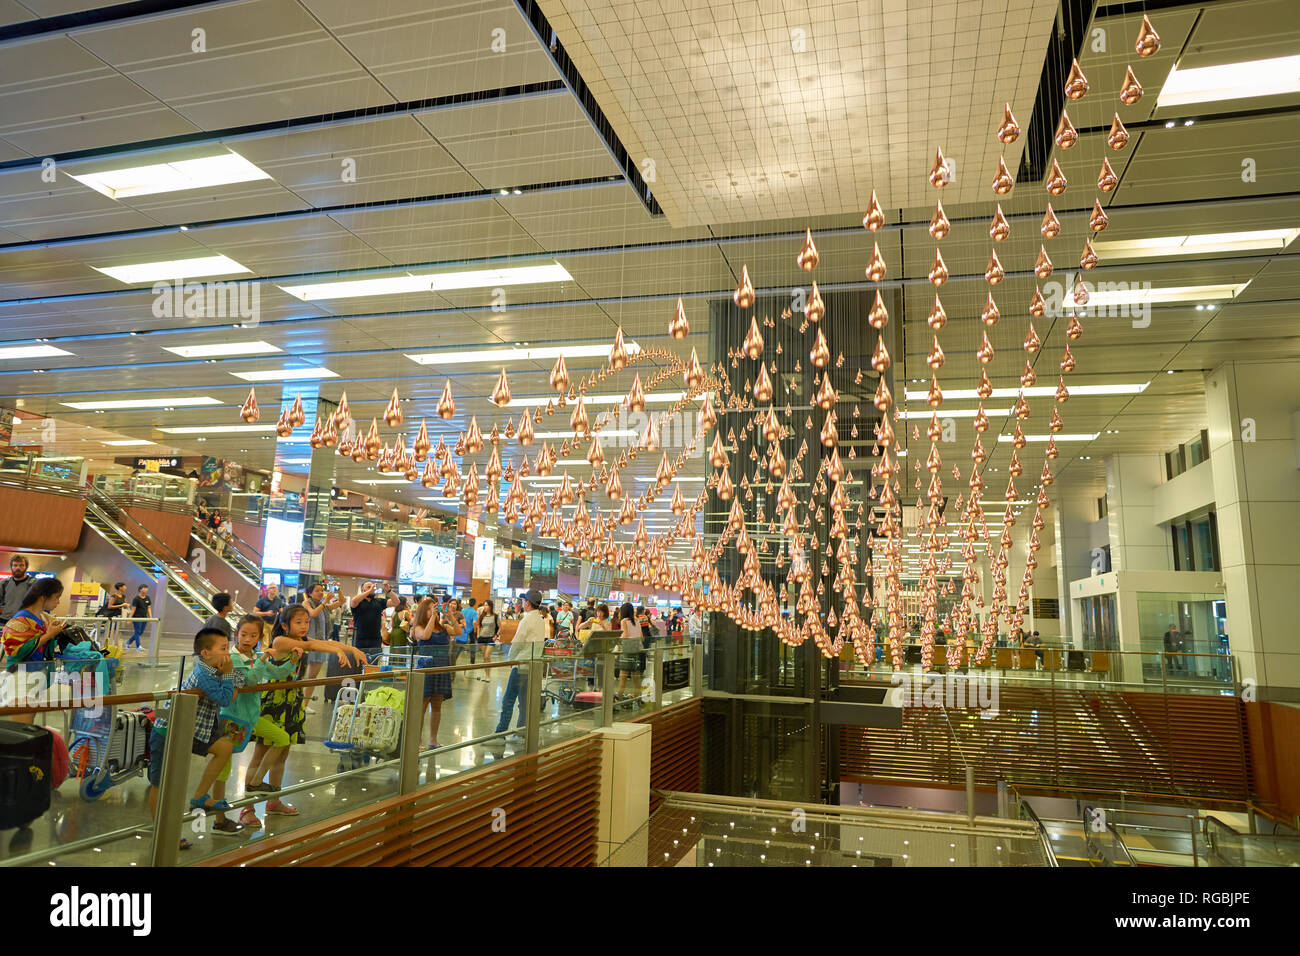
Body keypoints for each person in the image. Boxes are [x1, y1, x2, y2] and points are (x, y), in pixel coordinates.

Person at [243, 604, 365, 813]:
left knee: (282, 754)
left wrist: (352, 649)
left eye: (307, 622)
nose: (304, 626)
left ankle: (273, 800)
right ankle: (248, 807)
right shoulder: (280, 640)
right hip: (274, 700)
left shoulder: (302, 640)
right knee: (261, 753)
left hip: (293, 699)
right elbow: (313, 646)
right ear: (284, 625)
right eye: (298, 622)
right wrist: (337, 650)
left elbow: (323, 642)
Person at [209, 615, 303, 833]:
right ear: (236, 634)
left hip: (251, 718)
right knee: (223, 770)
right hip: (232, 719)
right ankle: (219, 820)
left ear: (260, 638)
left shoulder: (254, 656)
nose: (247, 639)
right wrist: (264, 659)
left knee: (282, 738)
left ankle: (256, 782)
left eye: (253, 636)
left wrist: (292, 661)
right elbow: (251, 680)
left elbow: (277, 673)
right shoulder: (232, 659)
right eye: (244, 634)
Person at [146, 628, 242, 838]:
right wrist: (229, 674)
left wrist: (230, 675)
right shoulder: (203, 674)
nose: (228, 654)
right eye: (223, 648)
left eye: (228, 648)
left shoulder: (214, 670)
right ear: (205, 653)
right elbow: (226, 698)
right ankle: (161, 834)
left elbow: (237, 687)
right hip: (168, 731)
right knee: (161, 784)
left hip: (190, 730)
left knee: (225, 748)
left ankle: (199, 797)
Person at [1, 577, 65, 723]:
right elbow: (15, 650)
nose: (58, 602)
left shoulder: (41, 617)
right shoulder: (20, 619)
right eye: (56, 597)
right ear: (43, 597)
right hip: (21, 678)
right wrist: (48, 635)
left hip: (36, 675)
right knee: (22, 727)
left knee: (28, 726)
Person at [493, 590, 547, 738]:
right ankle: (521, 732)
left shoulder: (527, 620)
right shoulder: (540, 620)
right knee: (524, 702)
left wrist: (511, 659)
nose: (522, 603)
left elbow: (517, 642)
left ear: (527, 603)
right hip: (533, 665)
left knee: (508, 700)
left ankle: (500, 733)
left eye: (523, 601)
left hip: (521, 665)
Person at [410, 598, 453, 748]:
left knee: (437, 705)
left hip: (441, 666)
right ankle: (417, 740)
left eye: (435, 608)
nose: (433, 610)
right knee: (422, 706)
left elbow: (459, 632)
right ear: (423, 611)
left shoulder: (442, 627)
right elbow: (425, 636)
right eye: (430, 609)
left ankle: (433, 740)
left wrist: (450, 616)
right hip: (426, 668)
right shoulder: (418, 627)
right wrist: (434, 617)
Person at [300, 582, 343, 713]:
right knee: (301, 676)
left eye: (321, 590)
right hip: (308, 643)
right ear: (310, 593)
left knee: (313, 677)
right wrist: (325, 601)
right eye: (317, 590)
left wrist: (338, 589)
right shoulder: (306, 603)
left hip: (321, 643)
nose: (320, 592)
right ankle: (296, 703)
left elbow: (342, 601)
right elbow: (313, 614)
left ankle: (304, 705)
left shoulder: (324, 607)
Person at [615, 602, 643, 700]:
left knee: (623, 674)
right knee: (636, 675)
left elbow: (625, 635)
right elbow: (641, 636)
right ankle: (638, 695)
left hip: (627, 649)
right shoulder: (637, 620)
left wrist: (617, 638)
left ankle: (619, 695)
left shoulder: (624, 621)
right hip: (637, 649)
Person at [0, 554, 35, 627]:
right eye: (15, 565)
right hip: (4, 621)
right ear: (11, 567)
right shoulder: (4, 583)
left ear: (26, 567)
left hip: (24, 622)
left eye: (21, 565)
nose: (18, 568)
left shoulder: (33, 583)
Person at [475, 599, 499, 669]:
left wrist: (496, 636)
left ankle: (487, 674)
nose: (484, 607)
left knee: (487, 655)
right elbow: (478, 625)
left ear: (490, 607)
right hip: (482, 638)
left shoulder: (495, 616)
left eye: (486, 605)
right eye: (484, 605)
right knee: (485, 657)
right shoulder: (482, 616)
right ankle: (487, 673)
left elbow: (501, 628)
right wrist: (478, 635)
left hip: (490, 638)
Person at [128, 584, 152, 651]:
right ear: (140, 589)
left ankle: (128, 642)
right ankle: (138, 646)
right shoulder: (136, 599)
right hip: (137, 618)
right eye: (144, 588)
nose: (146, 590)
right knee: (137, 631)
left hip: (144, 617)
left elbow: (149, 608)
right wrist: (129, 619)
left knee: (140, 632)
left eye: (146, 588)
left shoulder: (148, 598)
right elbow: (133, 609)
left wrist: (150, 618)